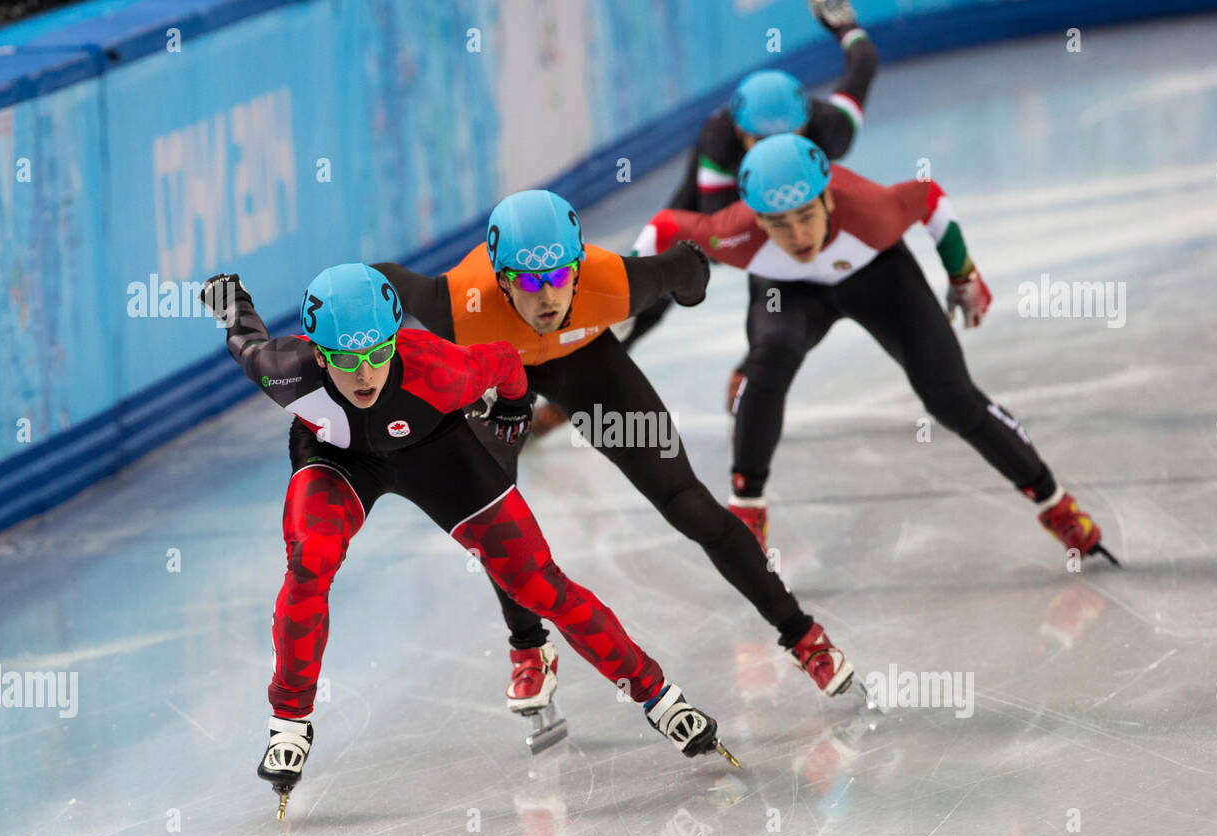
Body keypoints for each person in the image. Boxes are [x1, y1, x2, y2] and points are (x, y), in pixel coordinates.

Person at [198, 266, 734, 818]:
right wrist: (230, 299)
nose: (365, 375)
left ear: (392, 343)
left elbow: (505, 361)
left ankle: (660, 697)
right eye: (346, 359)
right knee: (309, 563)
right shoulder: (284, 371)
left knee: (539, 586)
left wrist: (512, 406)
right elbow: (246, 339)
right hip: (337, 457)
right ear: (317, 352)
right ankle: (289, 722)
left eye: (377, 355)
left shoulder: (437, 367)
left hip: (439, 452)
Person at [370, 188, 864, 722]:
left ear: (579, 270)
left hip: (586, 364)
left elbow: (686, 267)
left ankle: (801, 633)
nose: (546, 297)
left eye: (559, 276)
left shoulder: (618, 281)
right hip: (496, 372)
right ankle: (529, 646)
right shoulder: (455, 305)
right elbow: (386, 281)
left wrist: (693, 279)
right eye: (528, 281)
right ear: (500, 279)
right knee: (493, 518)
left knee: (688, 502)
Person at [631, 133, 1119, 564]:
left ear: (827, 201)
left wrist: (963, 272)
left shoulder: (872, 211)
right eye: (778, 223)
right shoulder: (732, 231)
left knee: (950, 398)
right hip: (788, 294)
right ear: (756, 218)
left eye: (806, 215)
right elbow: (665, 226)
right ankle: (748, 509)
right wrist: (626, 285)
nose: (799, 235)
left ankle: (1055, 503)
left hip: (877, 276)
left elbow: (930, 197)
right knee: (766, 367)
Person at [530, 0, 879, 434]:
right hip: (711, 212)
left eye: (786, 141)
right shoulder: (719, 138)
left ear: (807, 130)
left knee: (789, 277)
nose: (772, 155)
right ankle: (576, 382)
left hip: (775, 210)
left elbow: (864, 58)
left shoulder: (832, 128)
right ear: (739, 132)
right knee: (656, 287)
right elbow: (724, 238)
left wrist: (845, 27)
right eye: (757, 142)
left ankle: (756, 362)